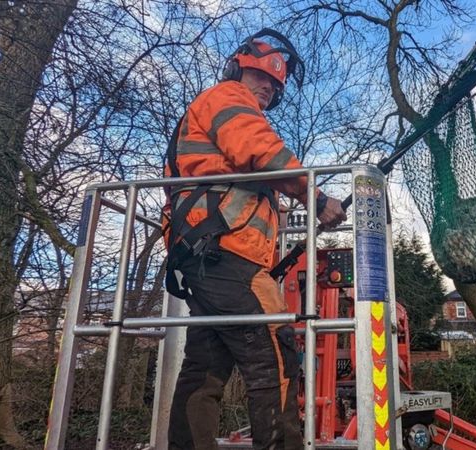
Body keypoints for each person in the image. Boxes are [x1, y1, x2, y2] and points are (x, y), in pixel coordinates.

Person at [162, 29, 346, 450]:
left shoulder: (220, 107)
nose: (268, 87)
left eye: (275, 84)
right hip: (226, 254)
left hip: (207, 256)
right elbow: (261, 152)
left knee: (204, 368)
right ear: (237, 70)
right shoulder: (228, 98)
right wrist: (314, 196)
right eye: (260, 77)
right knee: (275, 355)